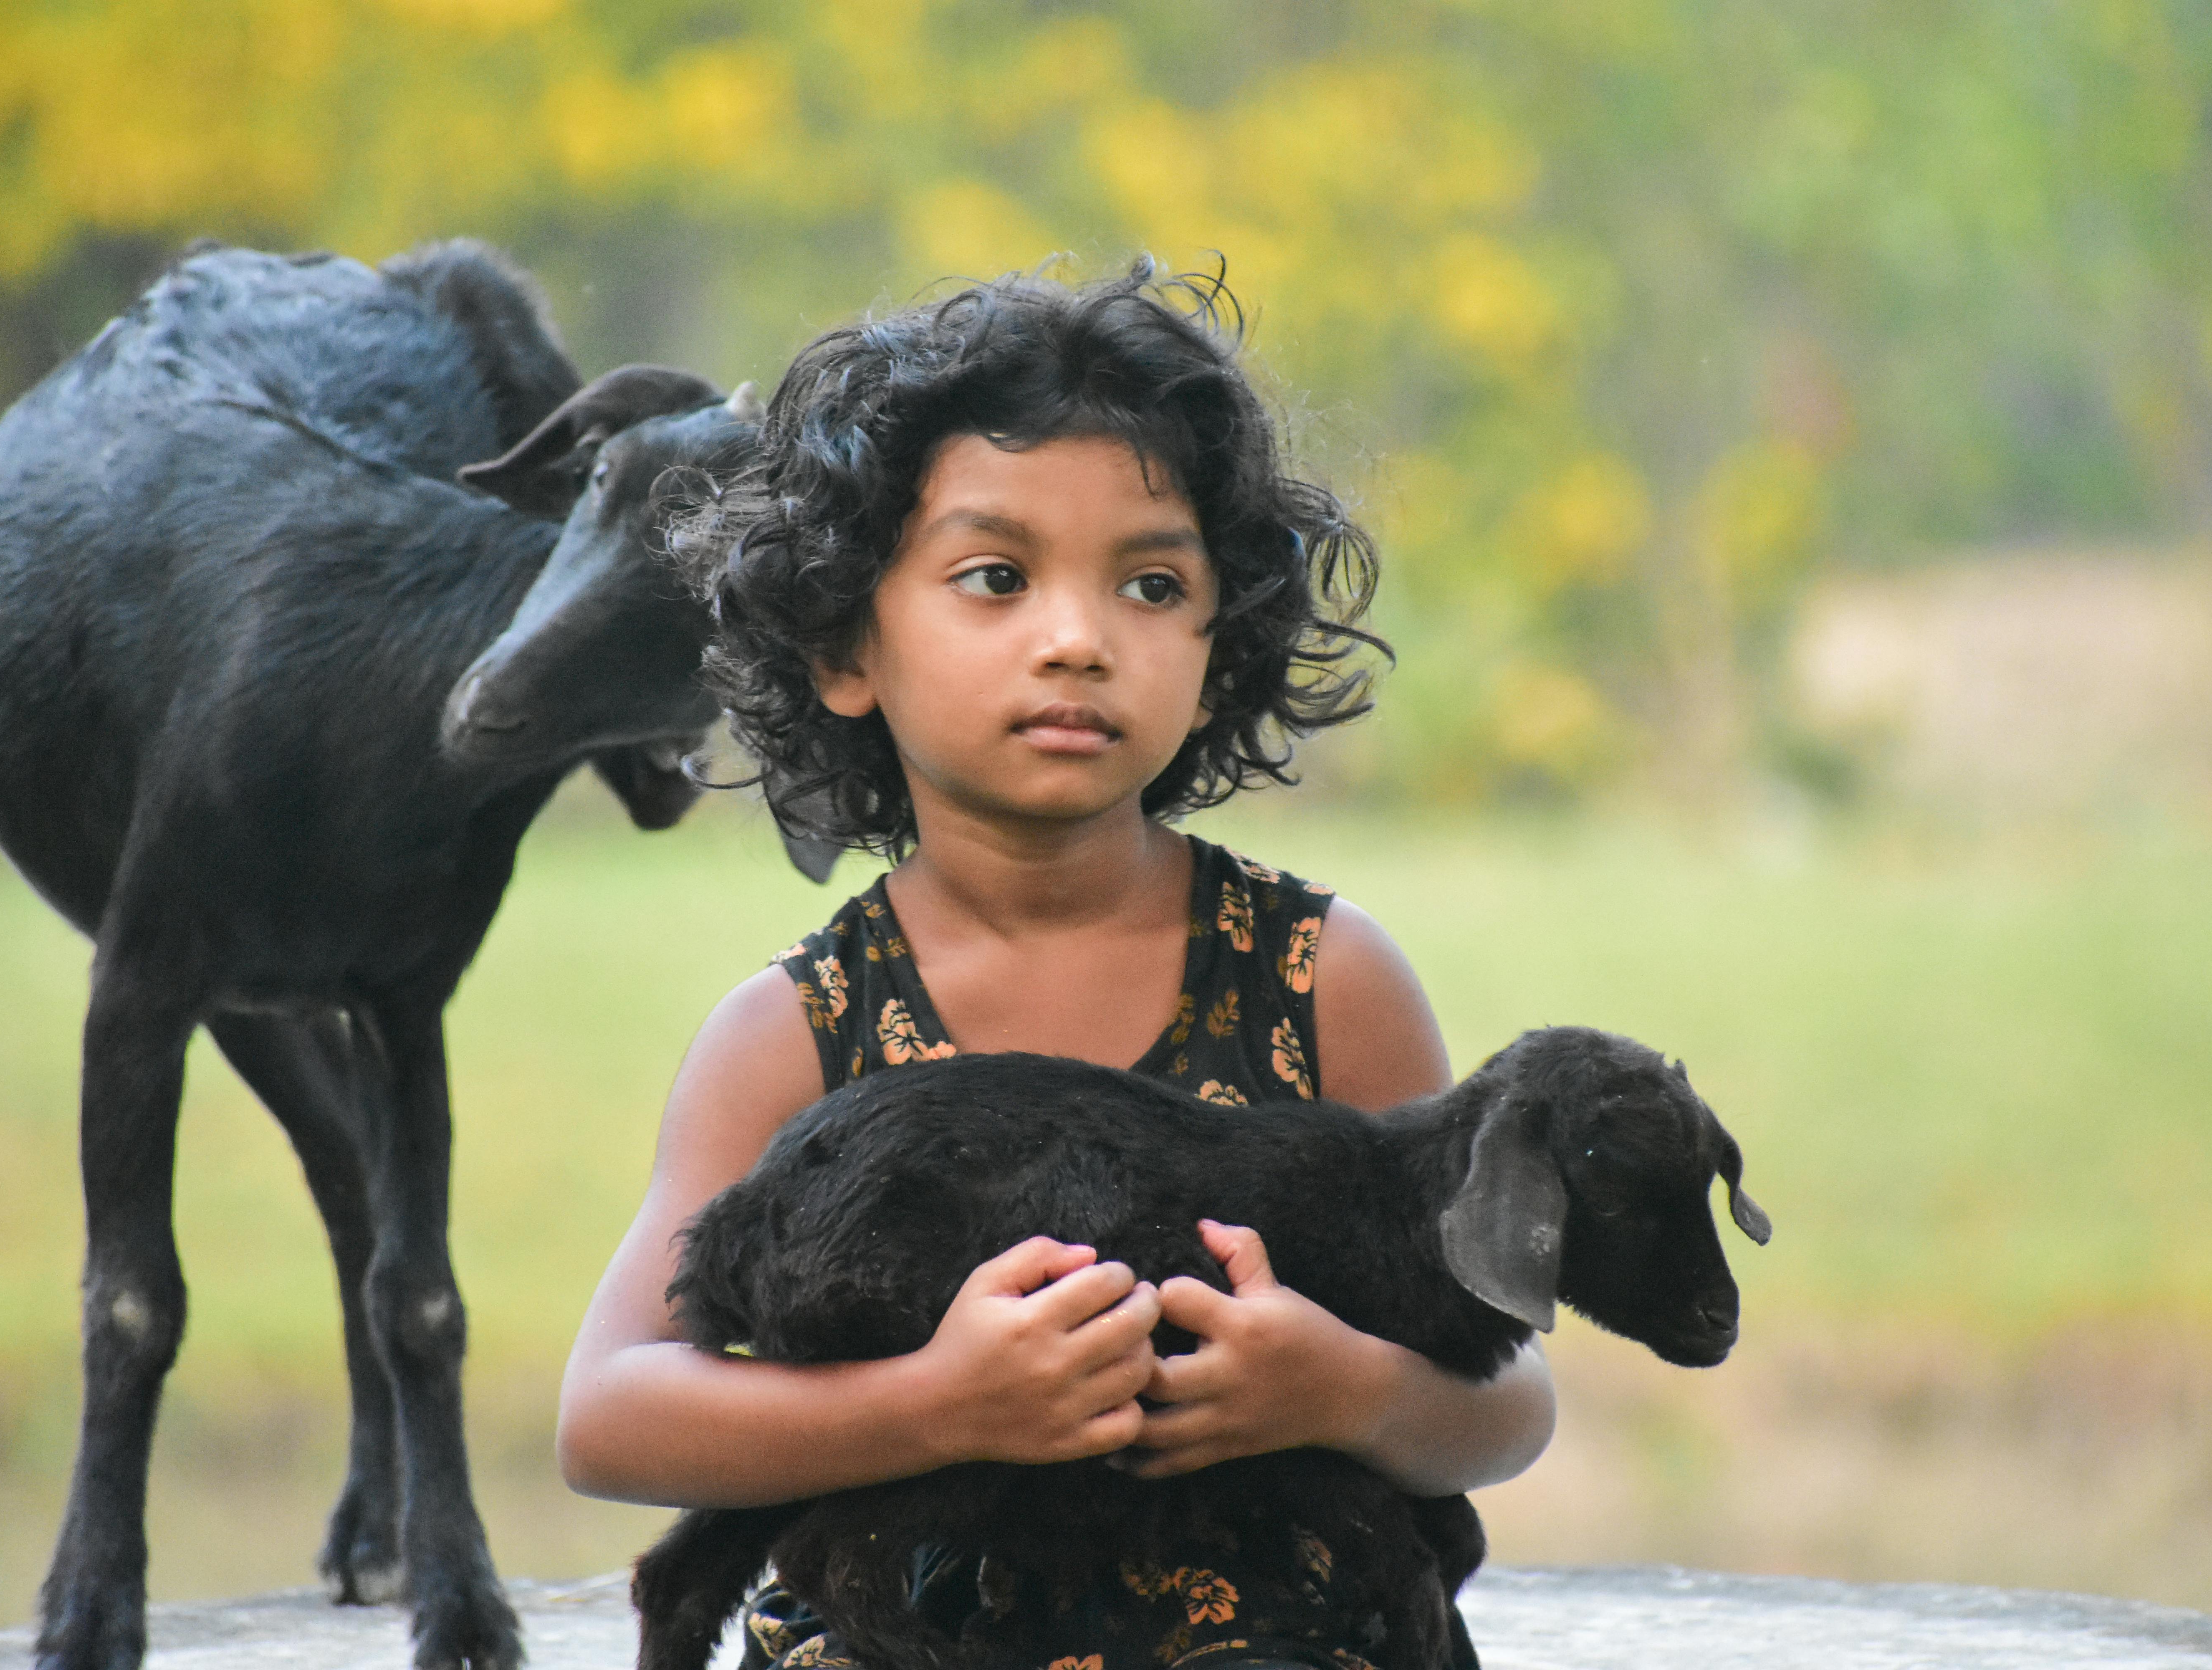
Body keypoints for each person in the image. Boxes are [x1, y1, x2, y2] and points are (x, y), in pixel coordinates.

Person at [556, 260, 1555, 1670]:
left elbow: (1507, 1401)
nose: (1079, 639)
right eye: (995, 578)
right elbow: (610, 1418)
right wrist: (934, 1407)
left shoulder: (1325, 986)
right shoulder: (800, 1032)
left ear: (1220, 648)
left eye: (1153, 584)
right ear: (846, 641)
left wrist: (1342, 1390)